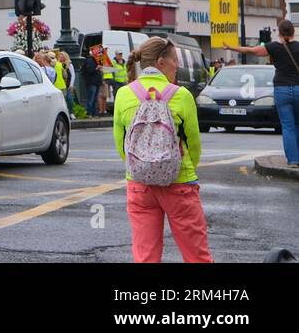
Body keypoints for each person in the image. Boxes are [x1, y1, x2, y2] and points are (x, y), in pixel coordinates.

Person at [113, 36, 211, 263]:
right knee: (197, 255)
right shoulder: (182, 95)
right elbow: (194, 144)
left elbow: (121, 143)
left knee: (145, 255)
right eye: (175, 60)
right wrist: (183, 168)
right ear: (160, 62)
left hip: (139, 185)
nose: (178, 65)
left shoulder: (123, 94)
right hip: (179, 183)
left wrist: (141, 167)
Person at [221, 19, 299, 167]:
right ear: (293, 32)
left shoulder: (273, 47)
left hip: (282, 89)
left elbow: (251, 50)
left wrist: (231, 47)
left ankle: (293, 160)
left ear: (280, 32)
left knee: (288, 126)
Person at [81, 47, 102, 116]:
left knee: (94, 99)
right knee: (91, 99)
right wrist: (97, 68)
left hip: (96, 82)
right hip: (92, 82)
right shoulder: (89, 60)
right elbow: (89, 71)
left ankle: (93, 113)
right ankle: (89, 113)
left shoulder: (96, 60)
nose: (98, 54)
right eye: (97, 53)